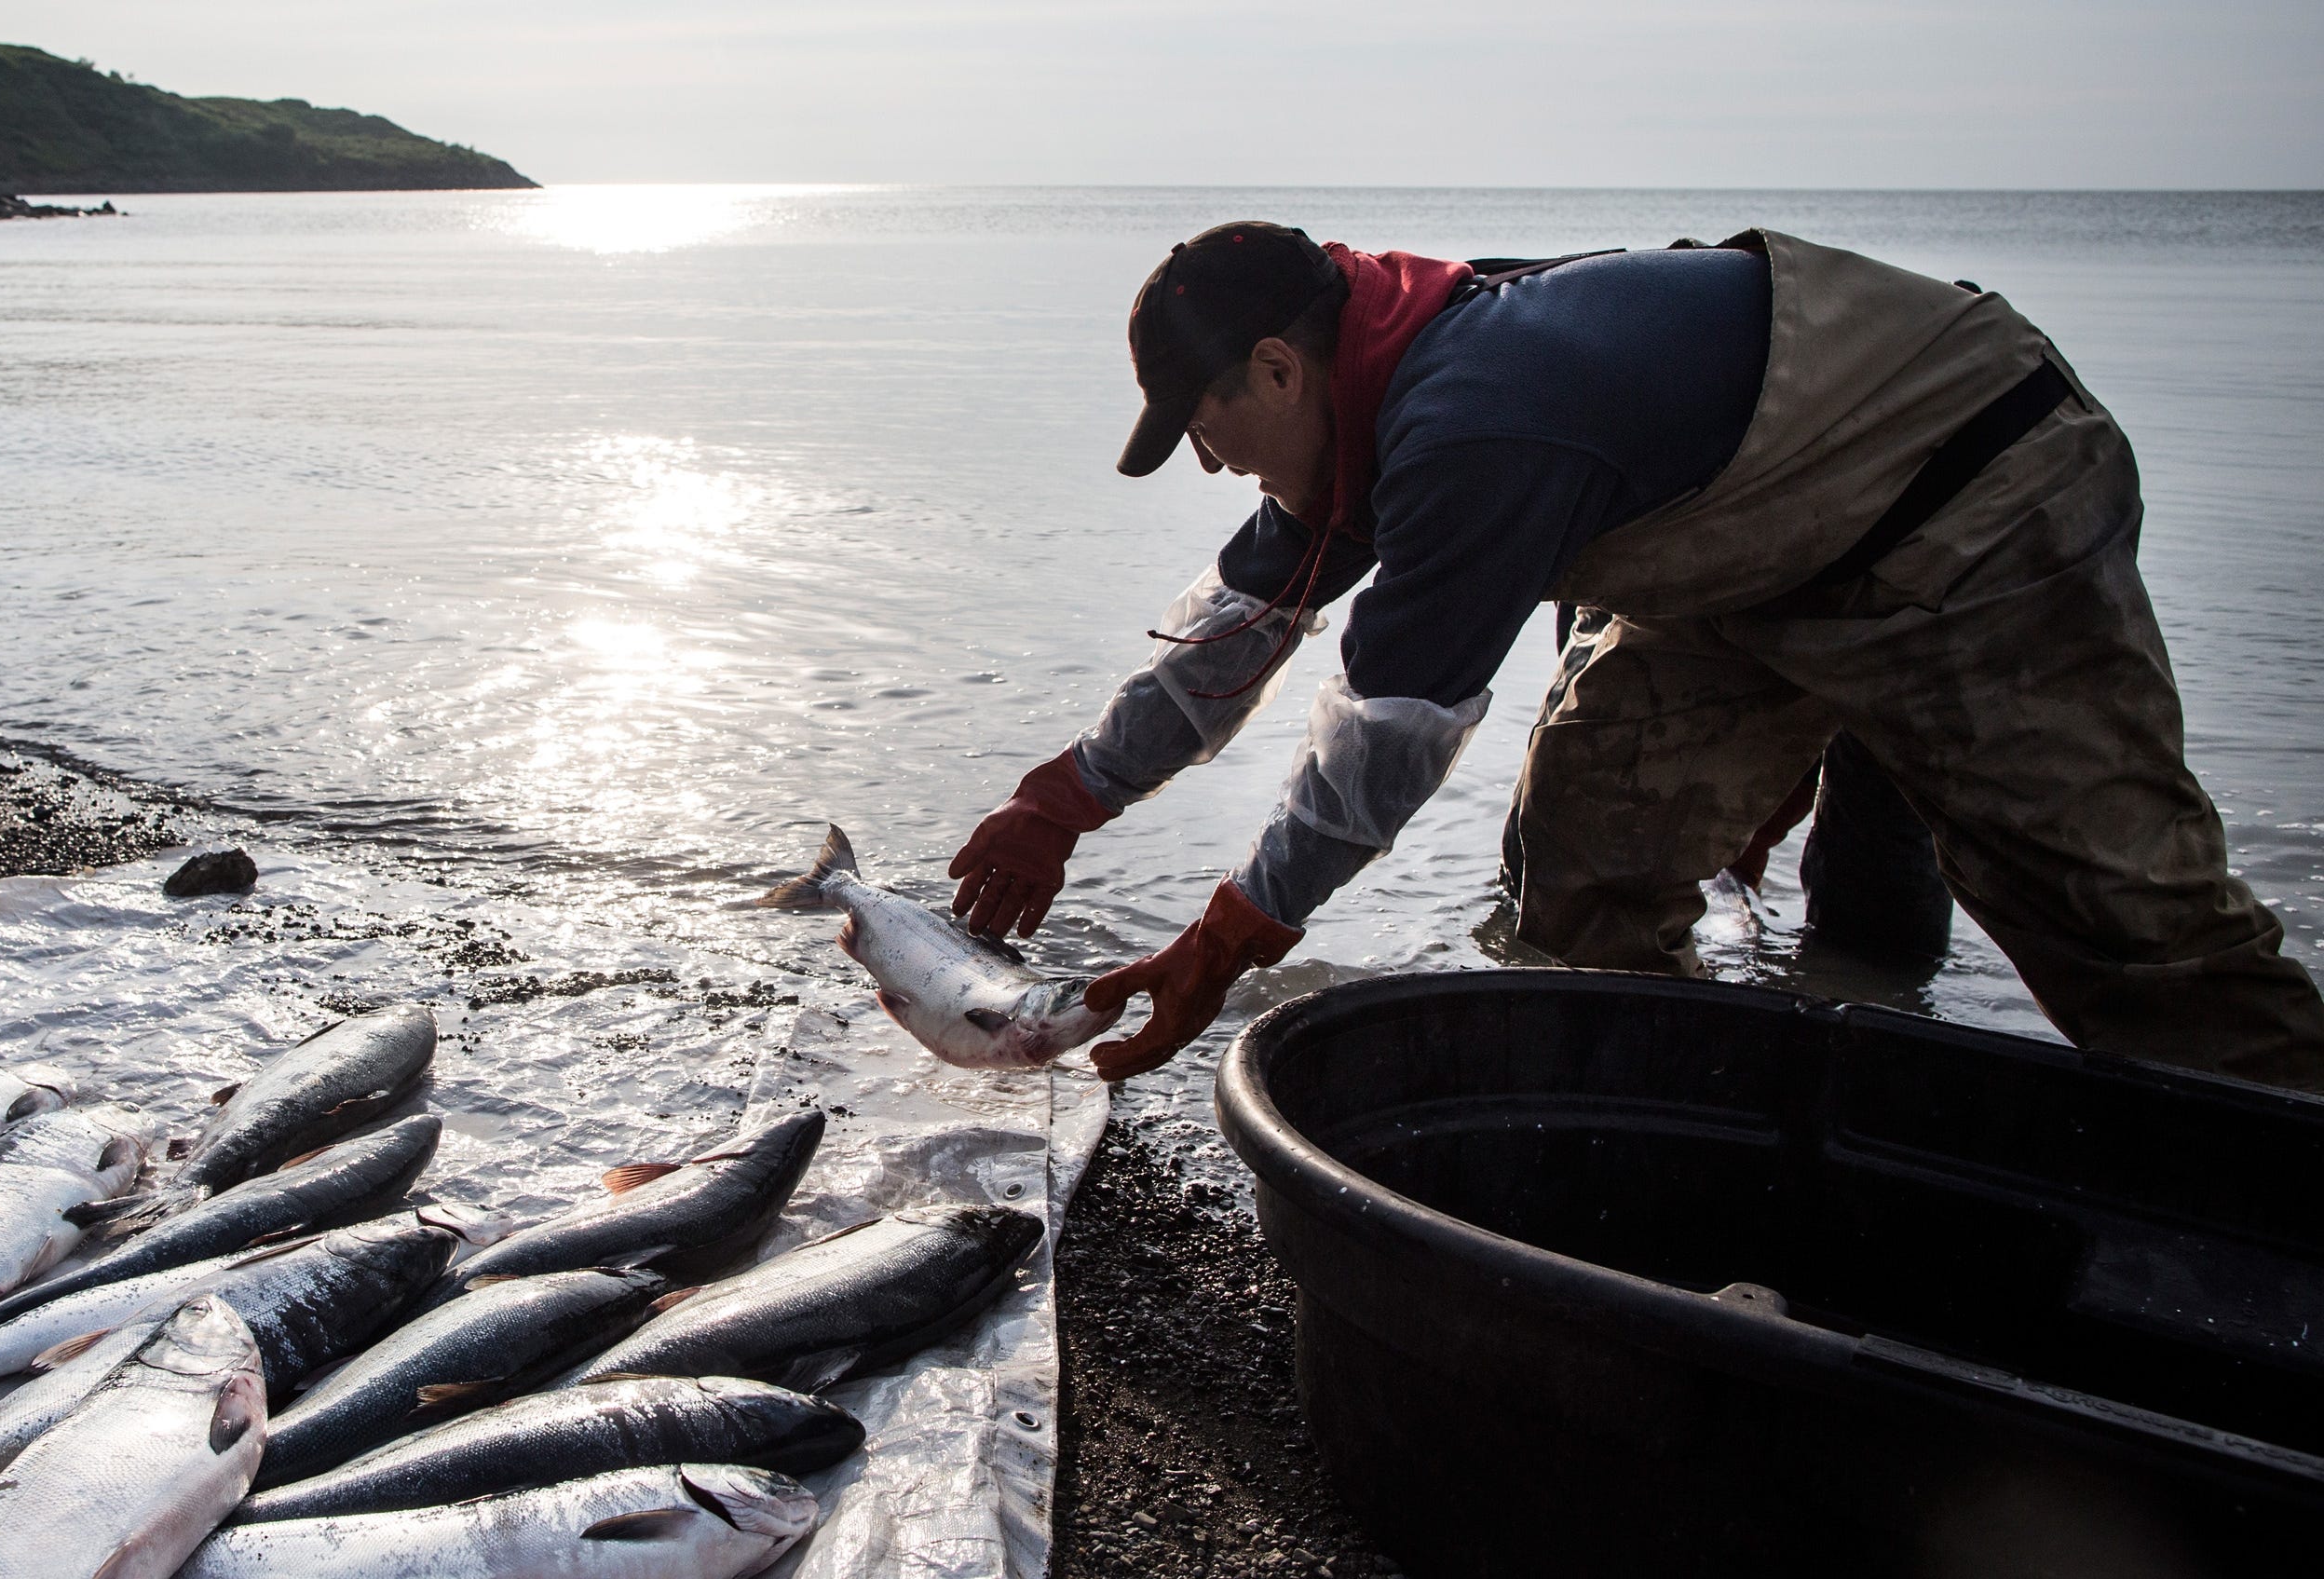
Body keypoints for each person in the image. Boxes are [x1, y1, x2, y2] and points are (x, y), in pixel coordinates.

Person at [946, 223, 2324, 1088]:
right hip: (1753, 552)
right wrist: (1067, 795)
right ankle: (1685, 1129)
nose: (1209, 461)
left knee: (2122, 925)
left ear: (1276, 369)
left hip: (1970, 491)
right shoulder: (1372, 381)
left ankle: (2277, 1188)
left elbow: (1379, 750)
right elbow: (1231, 630)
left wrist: (1229, 940)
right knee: (1588, 857)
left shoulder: (1469, 424)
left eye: (1205, 428)